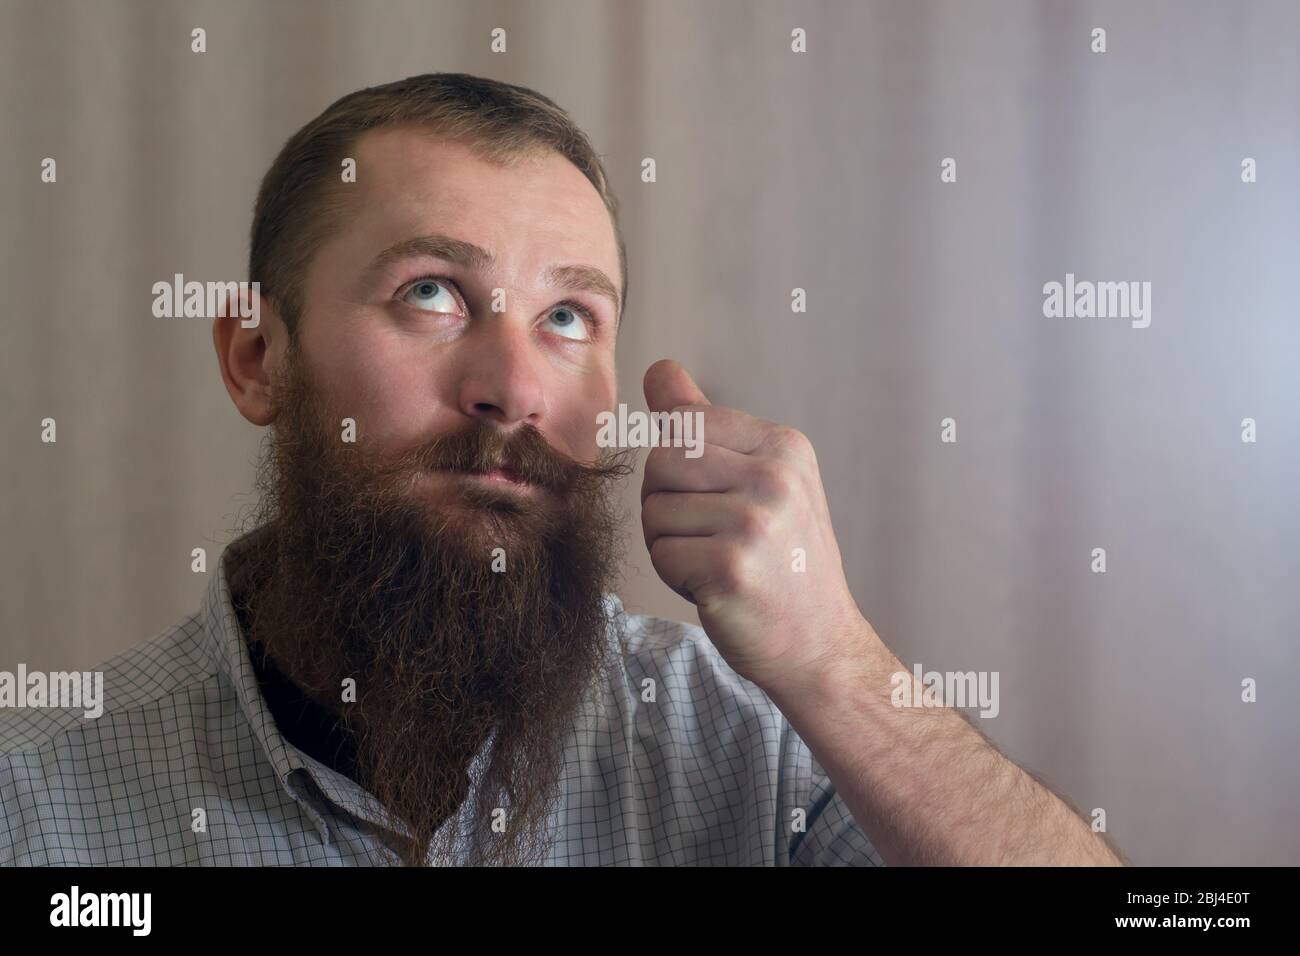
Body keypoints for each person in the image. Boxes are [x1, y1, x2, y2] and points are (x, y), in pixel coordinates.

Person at [0, 73, 1124, 866]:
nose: (516, 387)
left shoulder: (747, 747)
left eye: (569, 314)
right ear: (257, 358)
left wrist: (836, 664)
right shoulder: (35, 800)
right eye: (431, 292)